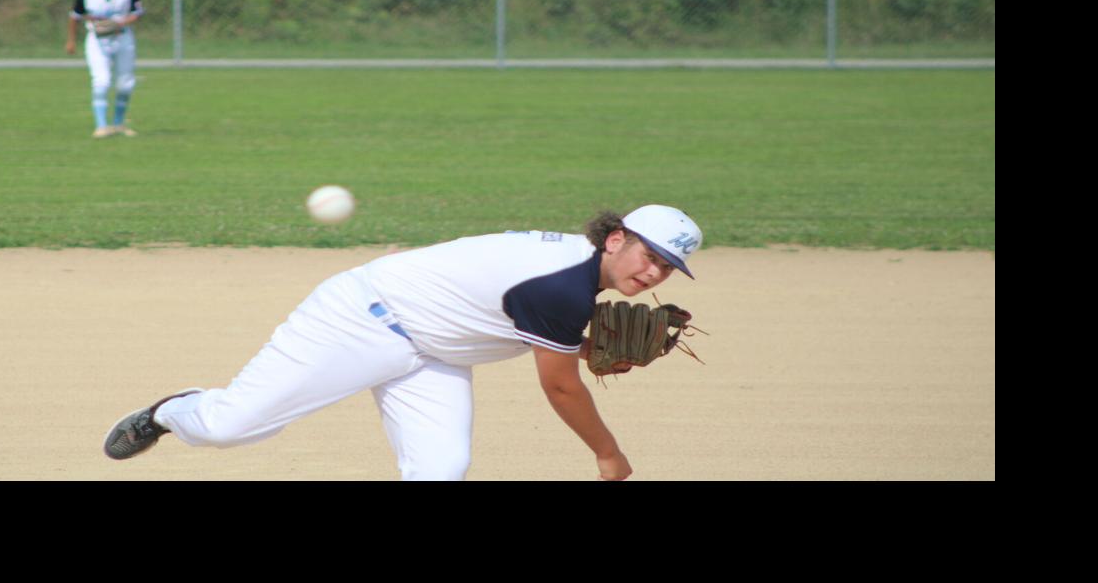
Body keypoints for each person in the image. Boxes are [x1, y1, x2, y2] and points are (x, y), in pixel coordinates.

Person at [103, 205, 705, 481]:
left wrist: (574, 345)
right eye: (649, 255)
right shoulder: (566, 285)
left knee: (442, 469)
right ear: (617, 237)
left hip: (434, 352)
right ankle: (170, 411)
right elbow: (559, 388)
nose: (653, 274)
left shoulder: (570, 270)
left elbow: (489, 287)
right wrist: (607, 453)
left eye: (667, 268)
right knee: (230, 426)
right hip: (359, 320)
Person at [65, 0, 143, 139]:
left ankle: (118, 124)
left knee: (125, 84)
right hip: (97, 41)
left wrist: (121, 23)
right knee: (102, 80)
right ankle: (101, 126)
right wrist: (71, 41)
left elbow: (137, 13)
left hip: (123, 39)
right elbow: (75, 17)